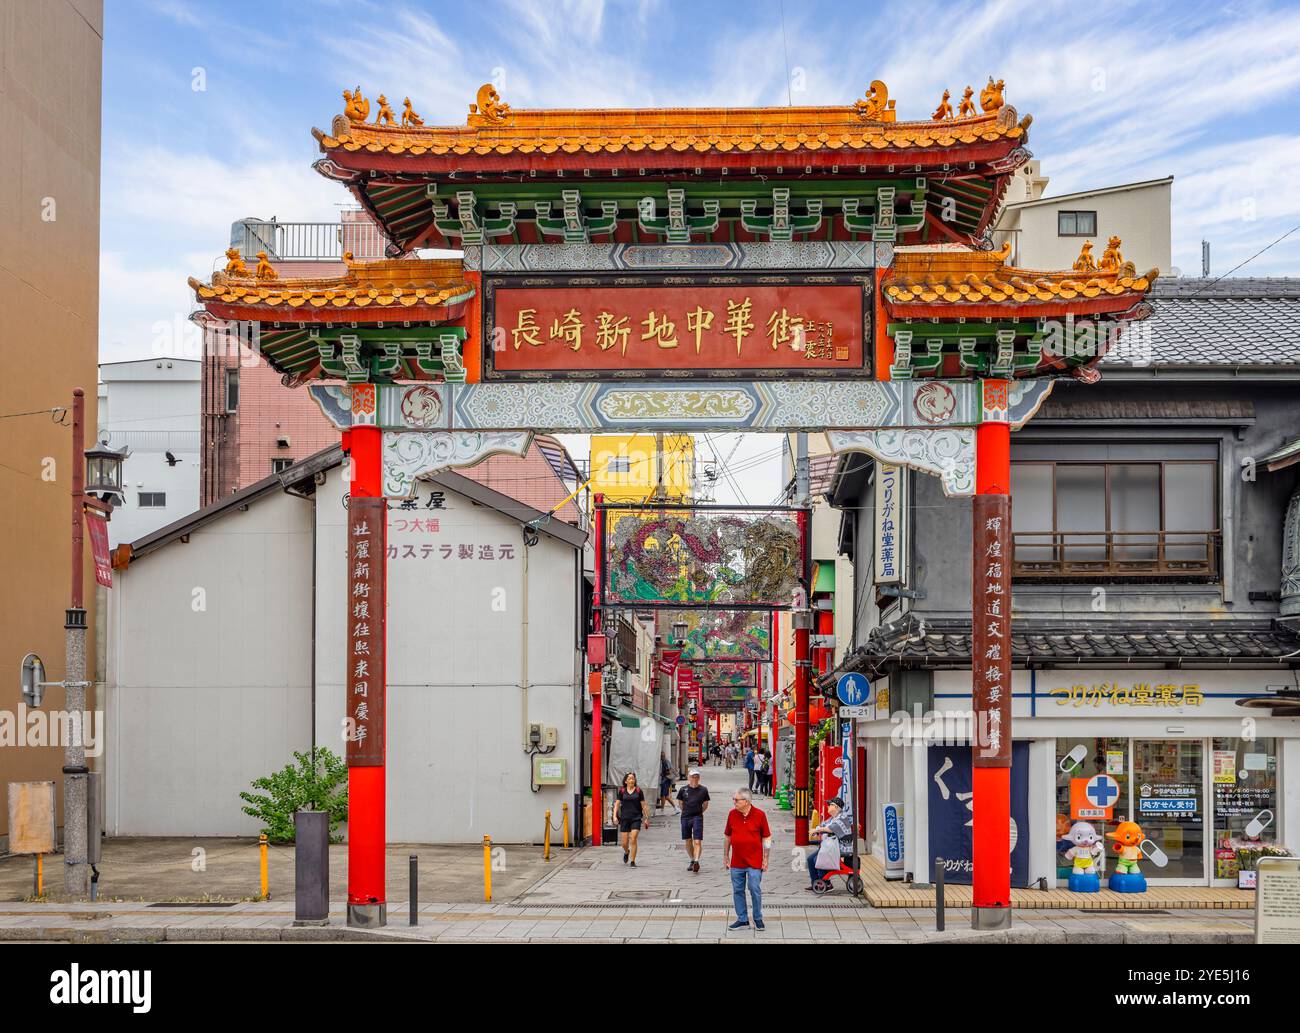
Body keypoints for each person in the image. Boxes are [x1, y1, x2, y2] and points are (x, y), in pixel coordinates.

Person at [723, 787, 771, 930]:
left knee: (754, 888)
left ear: (747, 801)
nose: (734, 802)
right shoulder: (732, 814)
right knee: (738, 890)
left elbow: (767, 837)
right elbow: (727, 836)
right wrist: (726, 856)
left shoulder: (760, 815)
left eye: (737, 800)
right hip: (737, 861)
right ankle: (742, 919)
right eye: (734, 799)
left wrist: (766, 858)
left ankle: (757, 918)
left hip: (754, 861)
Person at [805, 796, 855, 888]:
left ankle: (826, 883)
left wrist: (817, 830)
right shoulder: (833, 818)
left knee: (819, 858)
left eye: (830, 805)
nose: (827, 806)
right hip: (833, 845)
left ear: (836, 807)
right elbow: (823, 825)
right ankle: (816, 883)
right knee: (810, 859)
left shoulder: (842, 818)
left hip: (842, 847)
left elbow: (830, 829)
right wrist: (817, 830)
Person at [676, 768, 710, 872]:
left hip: (697, 817)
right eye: (692, 777)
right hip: (685, 817)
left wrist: (699, 812)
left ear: (699, 778)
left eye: (696, 777)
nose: (694, 778)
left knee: (697, 840)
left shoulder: (703, 790)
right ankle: (691, 859)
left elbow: (705, 804)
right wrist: (686, 811)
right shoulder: (683, 789)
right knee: (688, 840)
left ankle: (696, 861)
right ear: (689, 778)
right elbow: (680, 803)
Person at [616, 771, 649, 867]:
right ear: (625, 781)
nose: (631, 780)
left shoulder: (639, 791)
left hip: (636, 818)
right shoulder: (622, 791)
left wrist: (647, 818)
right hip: (625, 818)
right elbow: (617, 804)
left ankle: (633, 861)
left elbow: (644, 805)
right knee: (624, 843)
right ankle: (627, 851)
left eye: (633, 778)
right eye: (629, 778)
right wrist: (614, 815)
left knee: (633, 838)